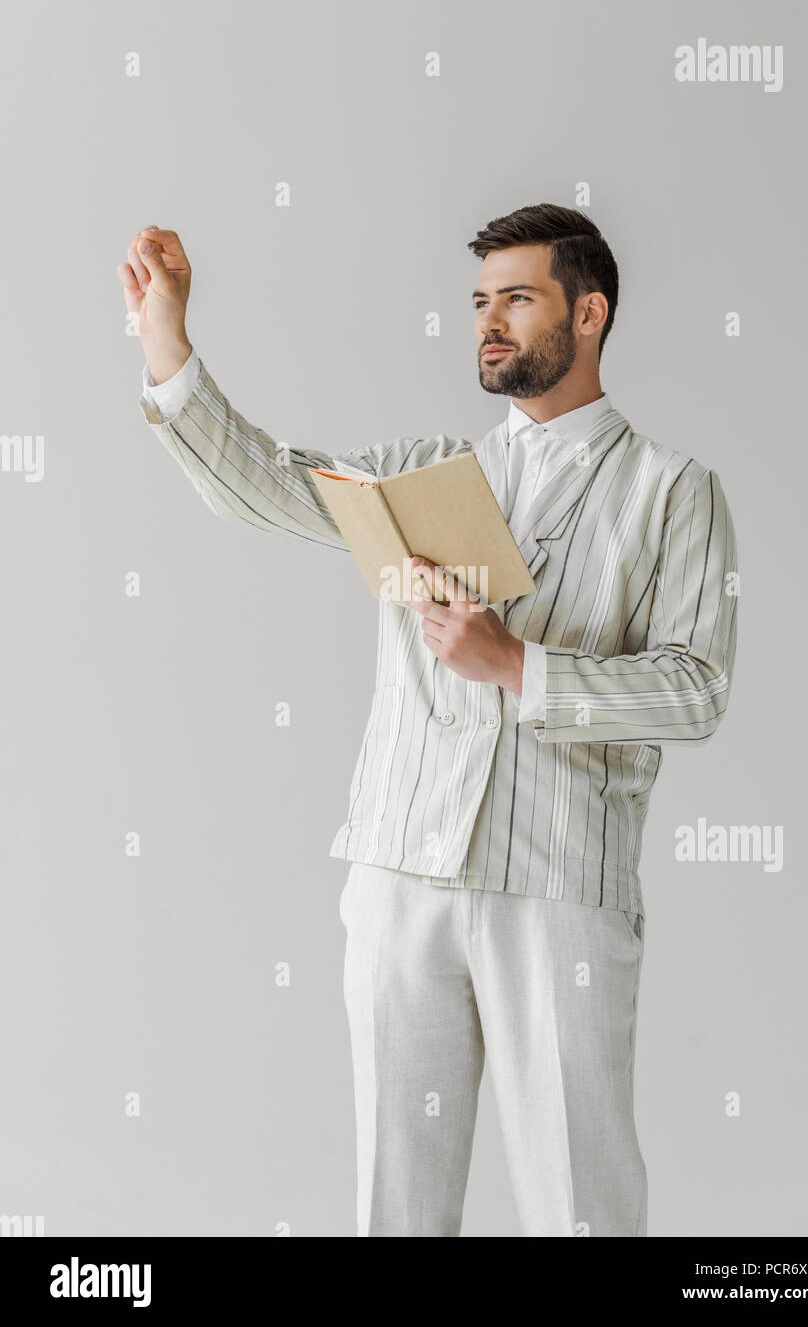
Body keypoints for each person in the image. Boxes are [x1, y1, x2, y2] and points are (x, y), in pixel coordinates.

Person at [117, 202, 738, 1237]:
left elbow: (696, 686)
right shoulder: (421, 472)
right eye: (481, 302)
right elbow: (268, 485)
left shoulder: (673, 491)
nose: (489, 322)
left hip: (560, 887)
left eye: (518, 299)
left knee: (580, 1205)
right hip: (399, 873)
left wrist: (515, 664)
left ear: (590, 315)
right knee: (395, 1207)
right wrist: (167, 340)